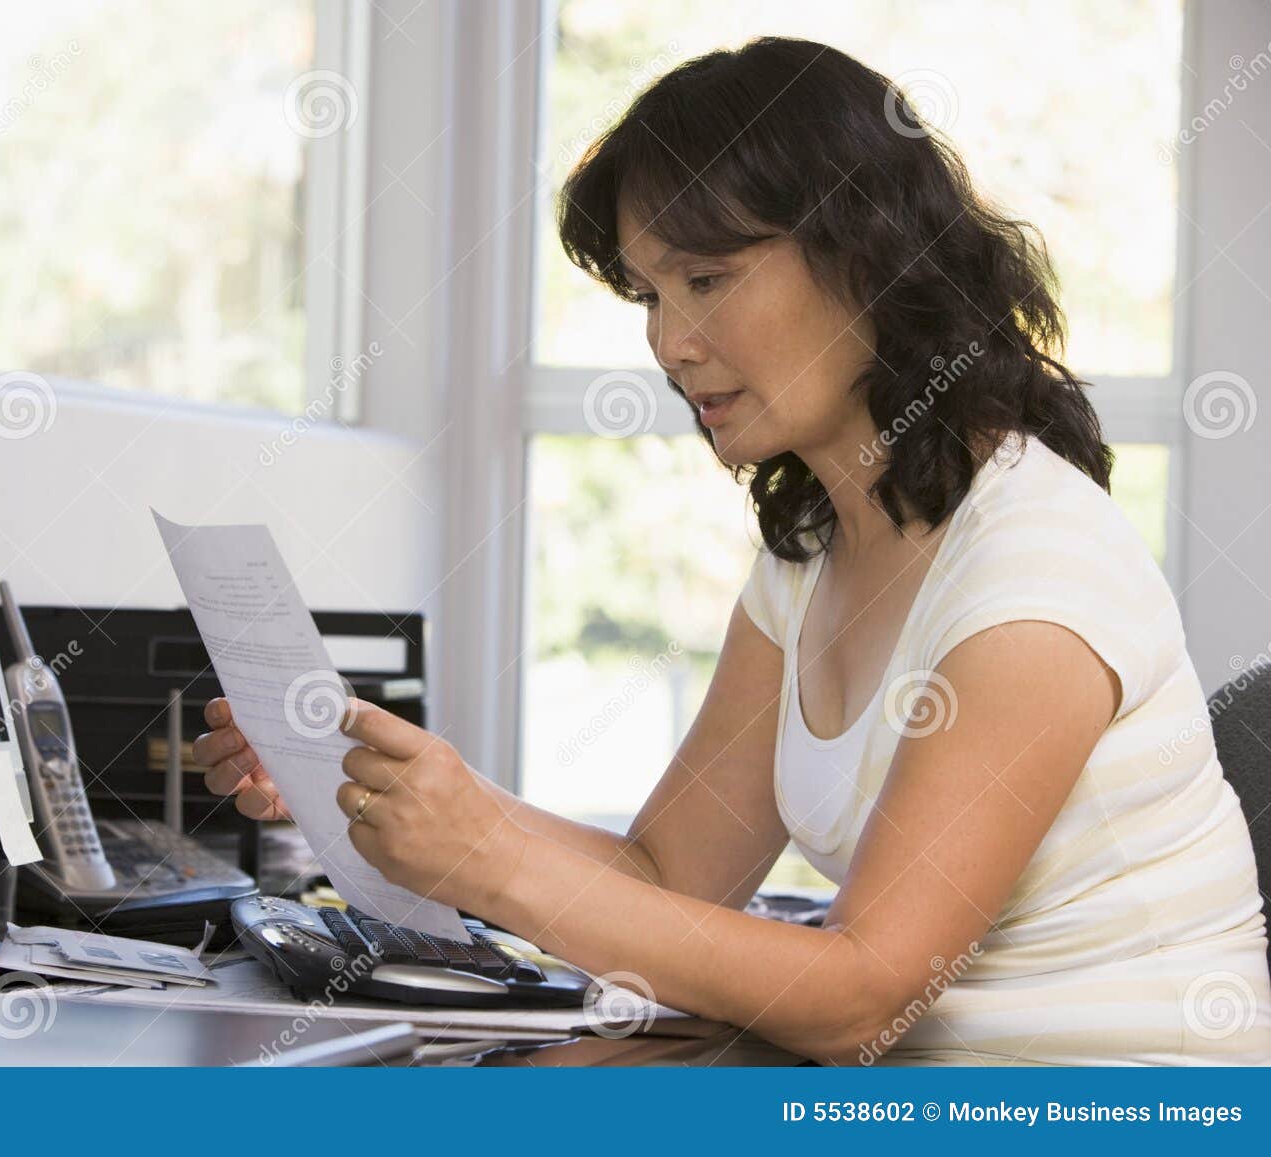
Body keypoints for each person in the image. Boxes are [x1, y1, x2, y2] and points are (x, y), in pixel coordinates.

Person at [195, 37, 1271, 1065]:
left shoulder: (1033, 570)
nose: (668, 342)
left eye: (706, 279)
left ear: (869, 256)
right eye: (650, 295)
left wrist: (490, 855)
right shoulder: (810, 555)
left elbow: (862, 1001)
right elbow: (671, 876)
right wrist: (389, 791)